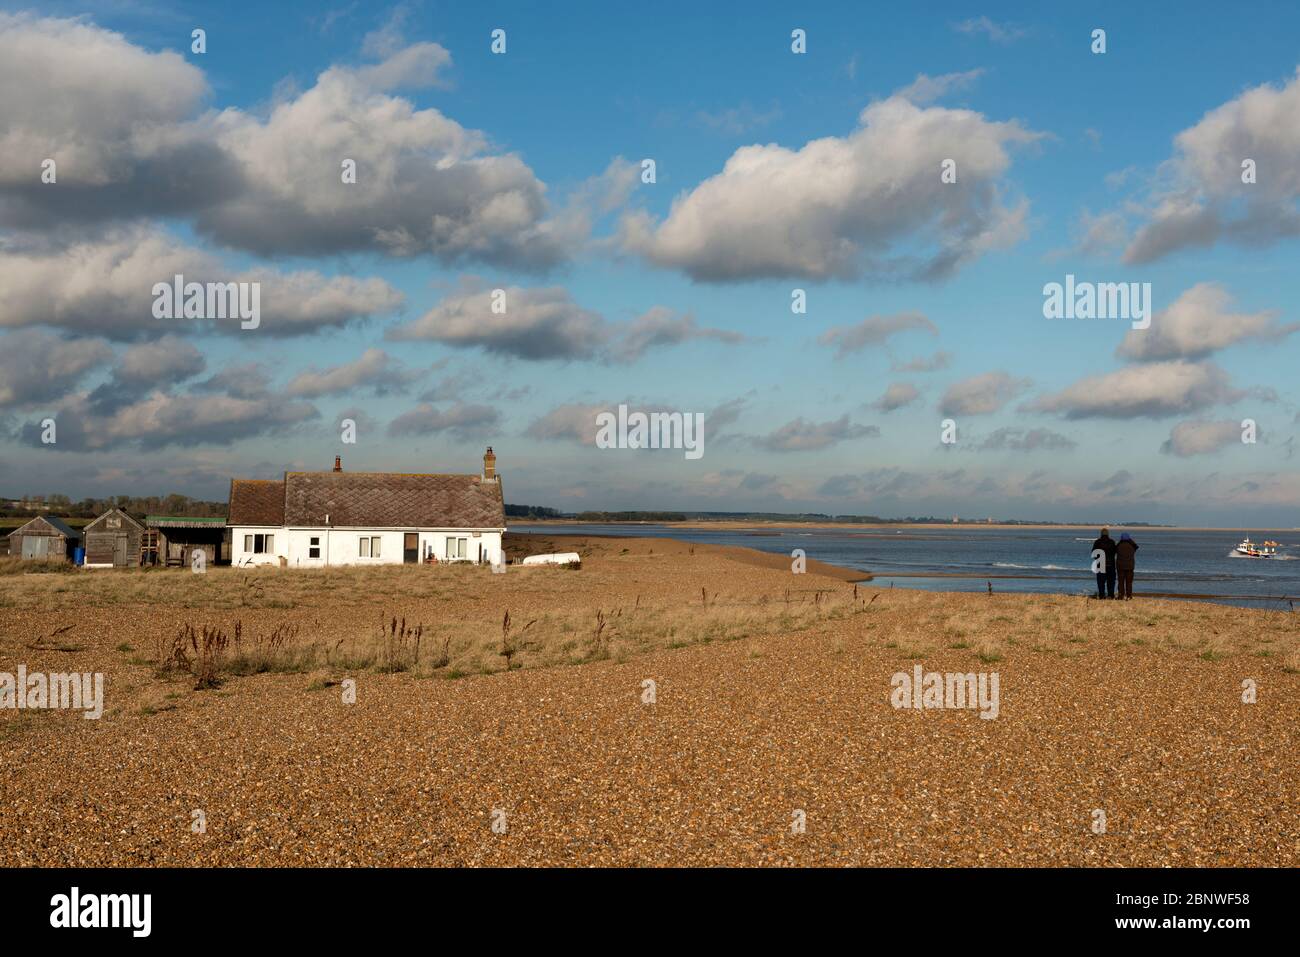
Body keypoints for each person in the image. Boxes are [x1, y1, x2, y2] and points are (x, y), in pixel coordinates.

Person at [1092, 527, 1117, 599]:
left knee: (1101, 582)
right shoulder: (1112, 542)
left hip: (1100, 564)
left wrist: (1097, 559)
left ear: (1101, 534)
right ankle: (1111, 595)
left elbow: (1093, 553)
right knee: (1111, 581)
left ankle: (1101, 595)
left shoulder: (1097, 542)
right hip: (1111, 564)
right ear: (1108, 534)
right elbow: (1115, 552)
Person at [1116, 532, 1139, 600]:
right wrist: (1130, 540)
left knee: (1121, 582)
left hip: (1120, 566)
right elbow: (1136, 546)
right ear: (1129, 539)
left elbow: (1115, 548)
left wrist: (1120, 541)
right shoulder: (1132, 546)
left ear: (1121, 539)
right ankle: (1129, 596)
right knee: (1129, 582)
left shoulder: (1119, 546)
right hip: (1130, 567)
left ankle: (1121, 596)